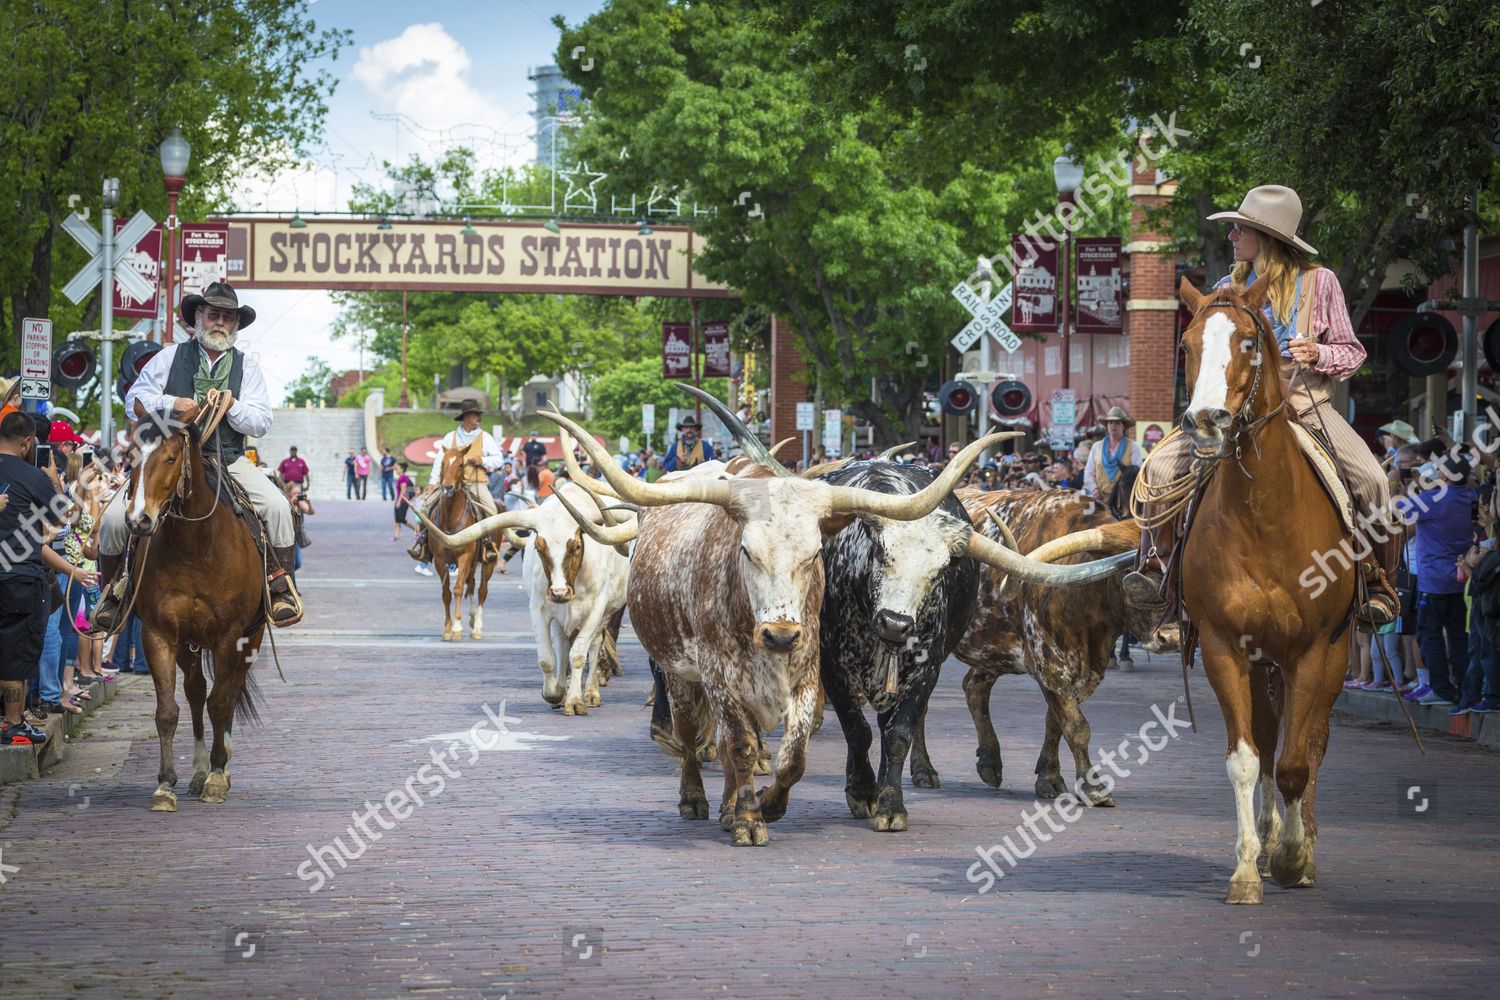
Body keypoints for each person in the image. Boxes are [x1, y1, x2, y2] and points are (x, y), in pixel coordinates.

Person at [1124, 184, 1399, 625]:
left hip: (1306, 407)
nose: (1232, 236)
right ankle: (1158, 571)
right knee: (1156, 469)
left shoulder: (1320, 282)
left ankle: (1375, 581)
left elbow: (1352, 351)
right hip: (1228, 411)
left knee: (1373, 481)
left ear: (1265, 235)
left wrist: (1318, 352)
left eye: (1239, 229)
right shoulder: (1224, 287)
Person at [91, 281, 303, 630]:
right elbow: (135, 401)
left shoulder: (246, 367)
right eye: (213, 314)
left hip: (228, 458)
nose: (220, 322)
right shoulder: (169, 356)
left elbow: (262, 421)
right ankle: (114, 593)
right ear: (197, 318)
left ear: (235, 325)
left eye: (227, 317)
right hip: (166, 458)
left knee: (278, 507)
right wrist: (172, 403)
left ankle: (279, 587)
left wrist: (231, 404)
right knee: (115, 520)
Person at [0, 411, 95, 745]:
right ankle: (13, 722)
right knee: (17, 650)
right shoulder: (33, 476)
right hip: (21, 577)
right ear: (27, 441)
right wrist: (54, 478)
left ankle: (14, 720)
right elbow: (65, 515)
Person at [1393, 450, 1474, 707]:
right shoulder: (1471, 496)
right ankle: (1464, 688)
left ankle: (1441, 689)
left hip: (1433, 582)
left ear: (1447, 475)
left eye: (1441, 471)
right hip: (1462, 580)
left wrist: (1394, 482)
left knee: (1430, 637)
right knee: (1460, 637)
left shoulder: (1433, 498)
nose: (1437, 474)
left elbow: (1398, 512)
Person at [408, 400, 504, 562]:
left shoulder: (485, 437)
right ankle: (423, 543)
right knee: (425, 506)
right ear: (466, 417)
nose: (479, 417)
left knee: (492, 510)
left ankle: (487, 543)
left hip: (476, 484)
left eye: (479, 414)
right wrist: (432, 482)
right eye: (475, 414)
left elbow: (499, 460)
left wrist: (482, 460)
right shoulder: (450, 437)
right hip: (448, 484)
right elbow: (440, 461)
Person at [1083, 407, 1145, 504]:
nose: (1113, 426)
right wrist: (1094, 489)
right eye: (1110, 422)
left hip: (1122, 502)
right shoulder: (1096, 447)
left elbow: (1138, 473)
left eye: (1117, 423)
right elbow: (1088, 472)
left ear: (1123, 426)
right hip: (1099, 500)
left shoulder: (1133, 446)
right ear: (1106, 426)